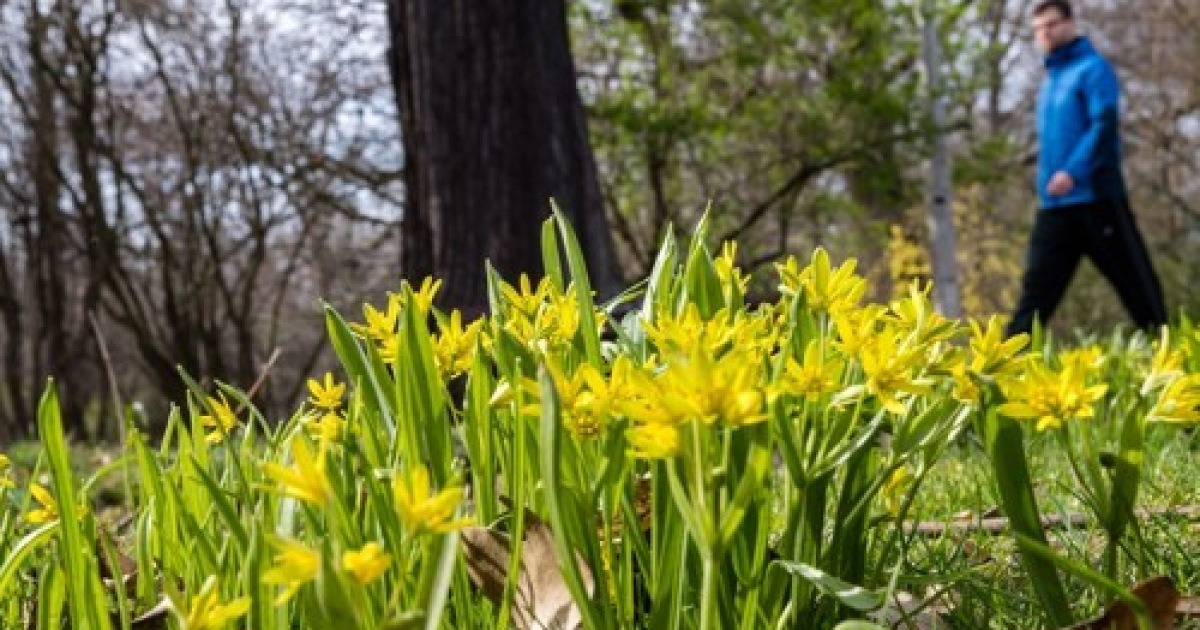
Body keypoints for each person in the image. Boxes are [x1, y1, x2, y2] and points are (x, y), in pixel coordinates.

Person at [1006, 0, 1167, 337]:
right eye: (1037, 29)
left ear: (1070, 24)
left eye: (1050, 25)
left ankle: (1173, 357)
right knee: (1035, 296)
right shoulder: (1051, 80)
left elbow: (1103, 124)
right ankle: (1004, 368)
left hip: (1096, 199)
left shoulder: (1093, 69)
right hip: (1055, 208)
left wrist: (1073, 171)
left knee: (1137, 289)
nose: (1044, 34)